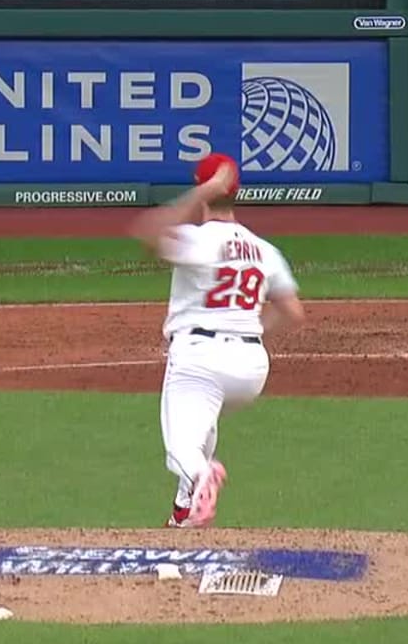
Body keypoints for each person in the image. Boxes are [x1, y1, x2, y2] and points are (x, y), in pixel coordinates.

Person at [129, 152, 305, 528]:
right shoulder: (263, 249)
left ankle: (199, 477)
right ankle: (183, 510)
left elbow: (146, 233)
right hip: (251, 369)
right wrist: (249, 328)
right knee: (202, 422)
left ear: (205, 188)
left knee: (181, 449)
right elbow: (293, 311)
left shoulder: (199, 241)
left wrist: (200, 193)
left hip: (199, 357)